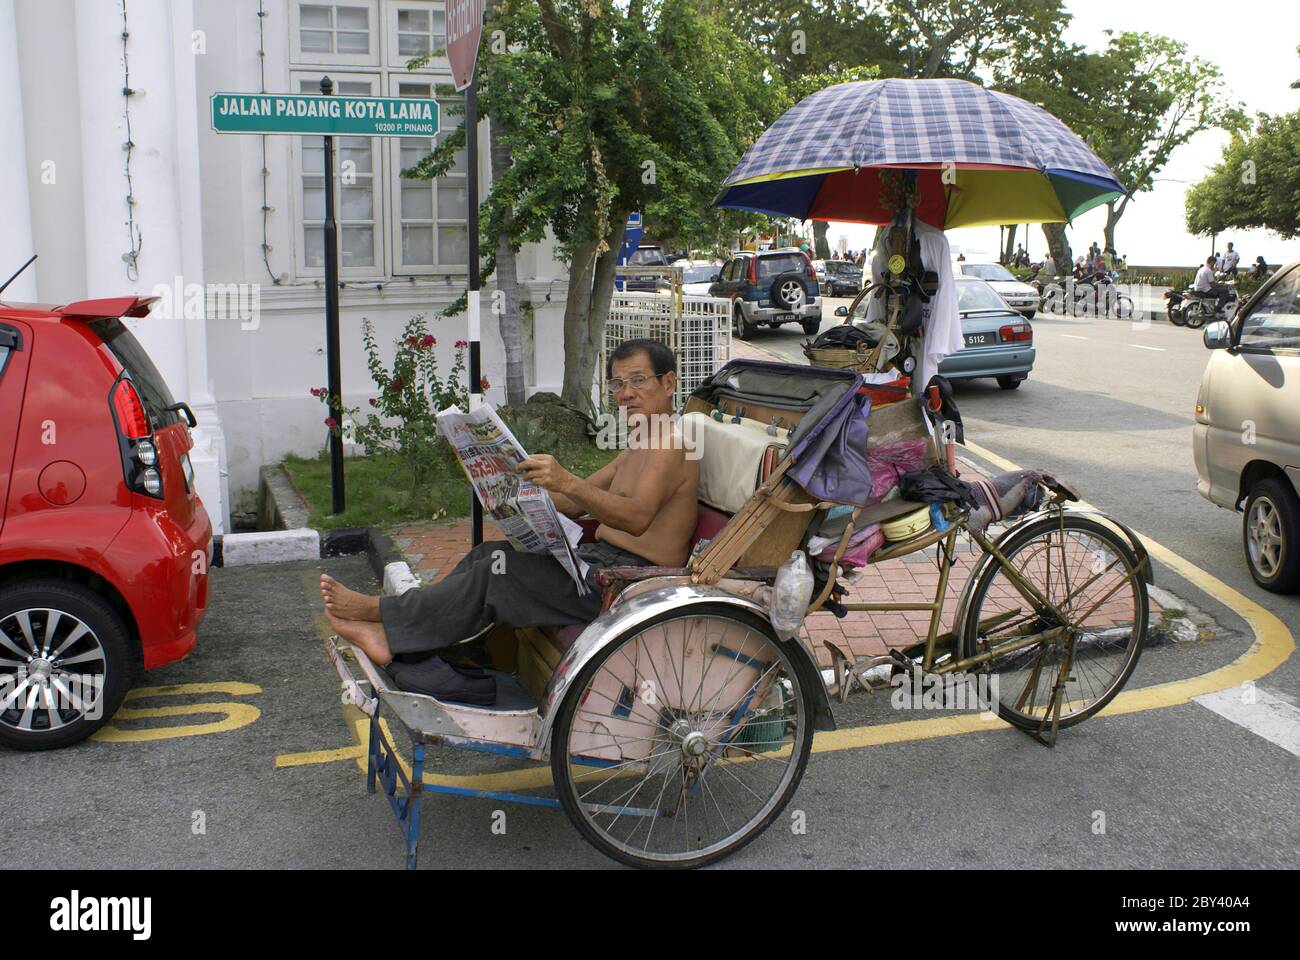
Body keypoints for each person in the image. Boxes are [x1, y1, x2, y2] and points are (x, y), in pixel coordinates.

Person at [320, 339, 700, 667]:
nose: (625, 393)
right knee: (487, 556)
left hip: (630, 582)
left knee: (498, 573)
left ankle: (381, 619)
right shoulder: (640, 443)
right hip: (601, 564)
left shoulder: (673, 444)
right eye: (618, 383)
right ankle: (409, 638)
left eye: (637, 381)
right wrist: (507, 489)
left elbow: (636, 518)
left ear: (668, 383)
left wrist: (566, 479)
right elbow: (571, 503)